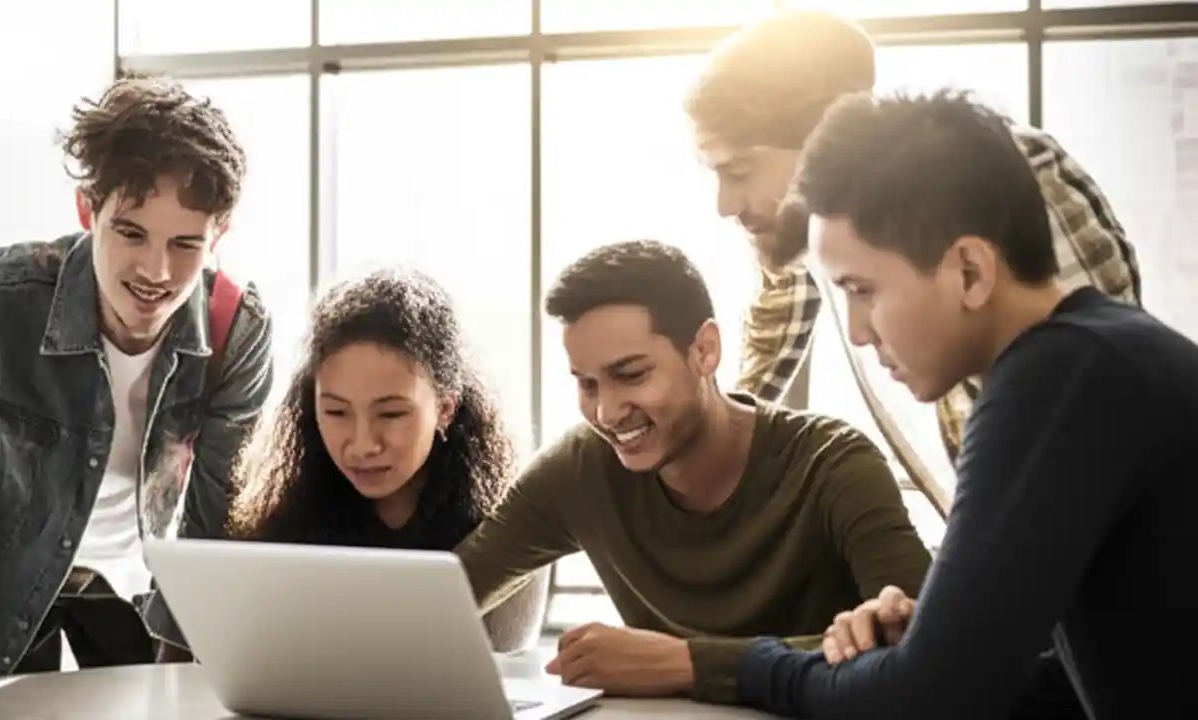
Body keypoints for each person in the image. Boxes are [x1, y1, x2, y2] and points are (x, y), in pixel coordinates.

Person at [734, 90, 1196, 720]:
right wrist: (937, 644)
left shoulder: (1056, 376)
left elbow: (931, 702)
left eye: (863, 290)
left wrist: (758, 667)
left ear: (971, 271)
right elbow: (1068, 684)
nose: (859, 332)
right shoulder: (1106, 352)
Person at [454, 239, 931, 703]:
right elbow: (452, 591)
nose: (607, 413)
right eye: (588, 384)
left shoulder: (833, 464)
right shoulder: (579, 468)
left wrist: (683, 663)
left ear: (705, 350)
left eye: (631, 375)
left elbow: (927, 647)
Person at [0, 75, 273, 681]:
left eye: (186, 244)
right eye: (131, 232)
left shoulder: (235, 329)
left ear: (220, 233)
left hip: (136, 580)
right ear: (88, 209)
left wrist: (192, 662)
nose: (156, 270)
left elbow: (215, 518)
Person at [684, 9, 1140, 465]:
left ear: (824, 135)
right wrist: (709, 439)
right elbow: (780, 307)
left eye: (739, 171)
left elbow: (1088, 399)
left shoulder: (1003, 176)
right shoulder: (815, 221)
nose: (724, 204)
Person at [226, 269, 545, 650]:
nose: (362, 445)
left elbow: (505, 665)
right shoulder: (285, 522)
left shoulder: (508, 529)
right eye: (336, 412)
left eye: (391, 414)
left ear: (445, 408)